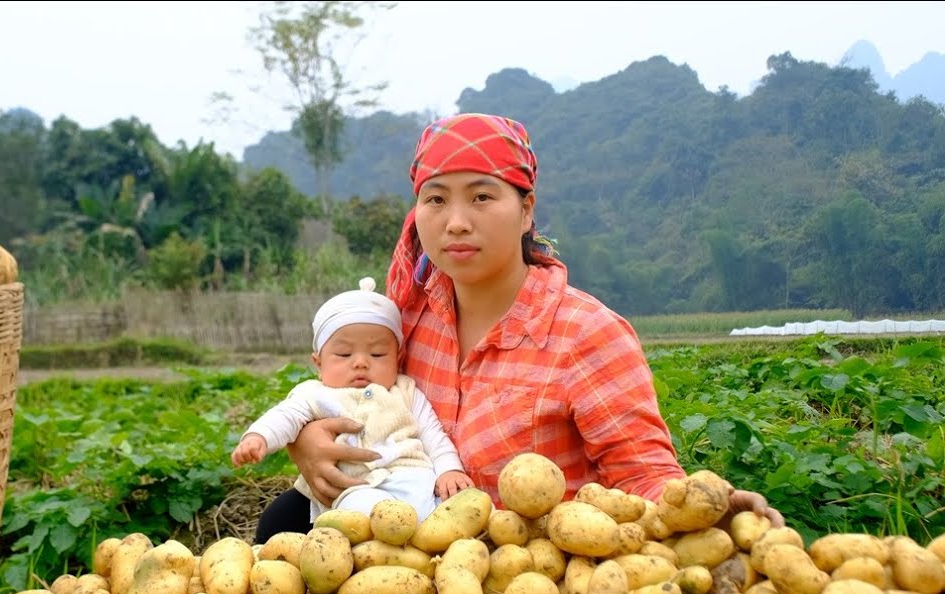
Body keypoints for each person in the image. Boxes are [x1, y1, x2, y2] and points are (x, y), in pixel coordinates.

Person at [254, 112, 783, 544]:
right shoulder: (405, 320)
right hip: (410, 540)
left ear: (527, 209)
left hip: (531, 560)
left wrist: (704, 507)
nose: (456, 221)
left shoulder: (586, 333)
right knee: (280, 521)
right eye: (435, 199)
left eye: (482, 197)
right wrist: (304, 439)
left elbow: (641, 473)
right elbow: (343, 389)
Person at [233, 276, 474, 527]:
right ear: (318, 363)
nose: (360, 362)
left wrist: (449, 470)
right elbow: (285, 417)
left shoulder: (406, 391)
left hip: (415, 482)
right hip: (358, 488)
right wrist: (258, 437)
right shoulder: (314, 394)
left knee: (446, 517)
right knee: (358, 514)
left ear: (398, 357)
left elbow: (434, 437)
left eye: (378, 354)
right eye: (344, 354)